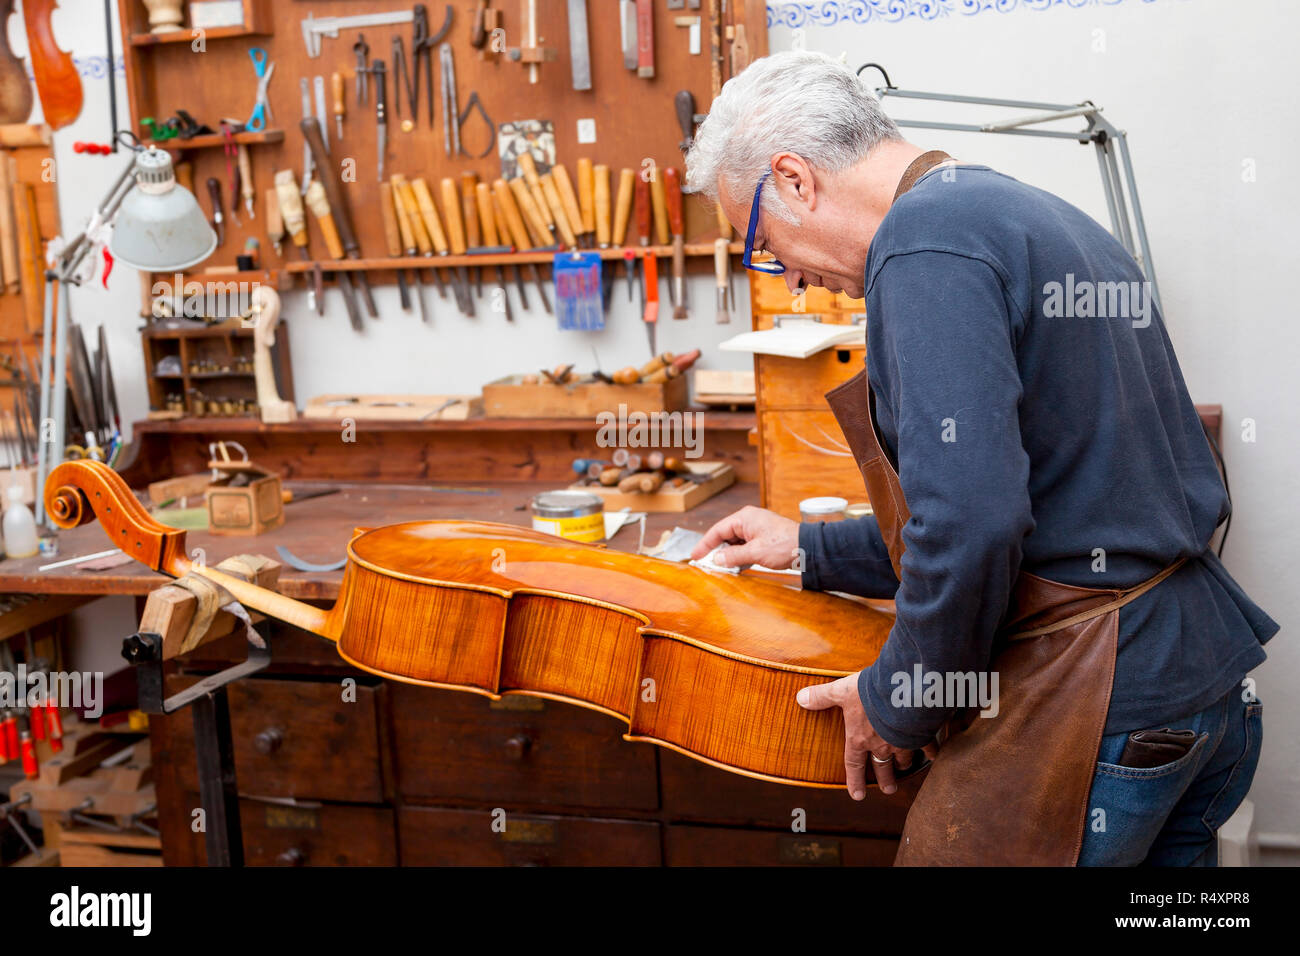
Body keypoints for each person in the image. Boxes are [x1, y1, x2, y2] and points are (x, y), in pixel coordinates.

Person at [685, 50, 1276, 866]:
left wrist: (896, 699)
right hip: (1199, 688)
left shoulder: (923, 247)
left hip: (1101, 699)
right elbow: (1057, 499)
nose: (787, 280)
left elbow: (973, 523)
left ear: (794, 179)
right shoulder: (1019, 212)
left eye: (762, 244)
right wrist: (811, 546)